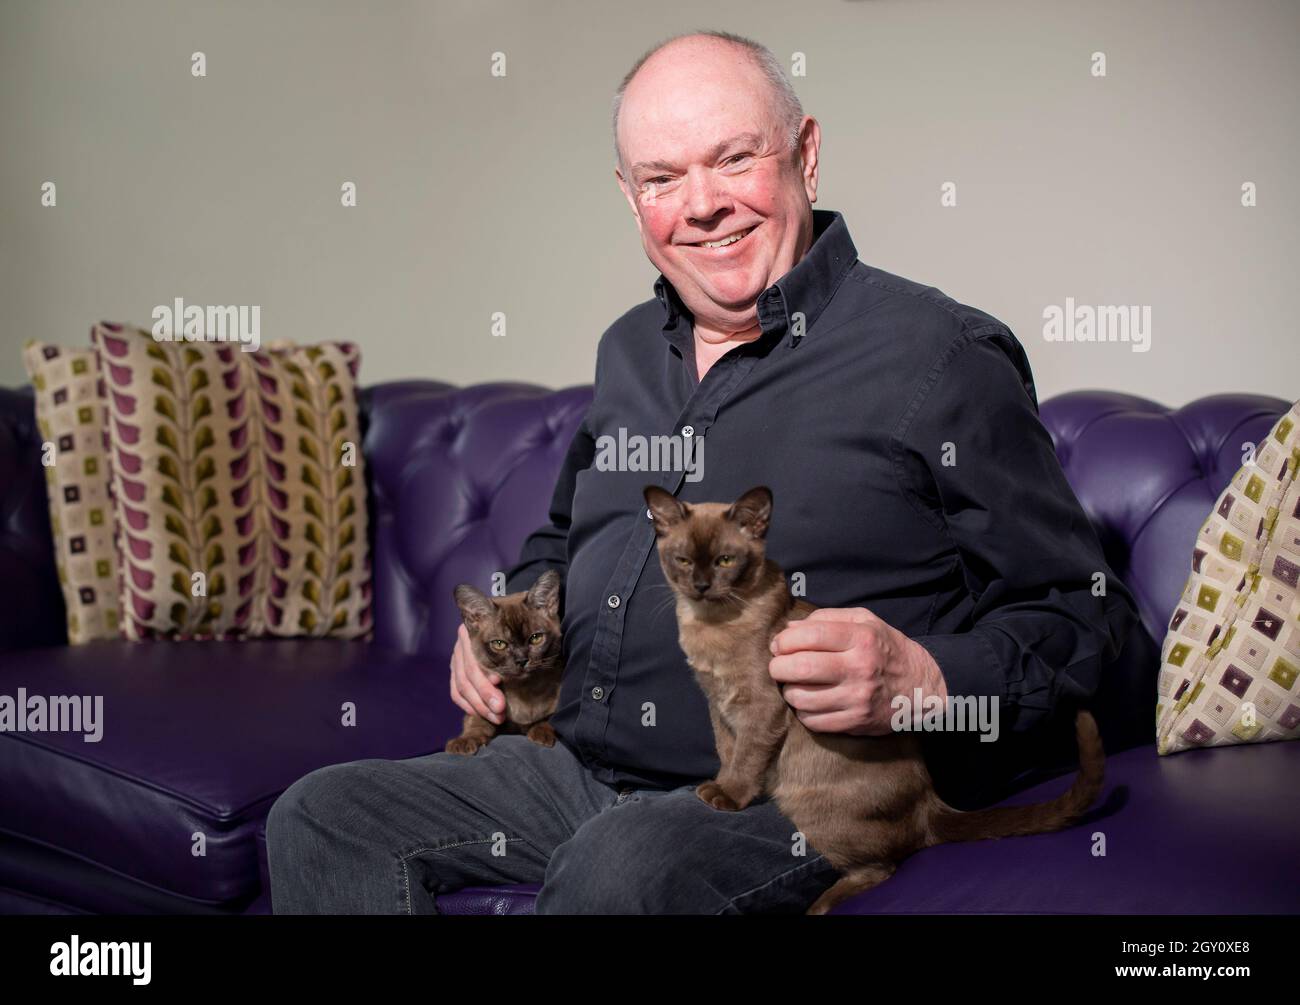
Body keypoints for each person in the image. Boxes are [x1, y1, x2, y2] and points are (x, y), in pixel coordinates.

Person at [267, 29, 1143, 915]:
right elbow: (564, 534)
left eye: (733, 159)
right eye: (661, 178)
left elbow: (1093, 619)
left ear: (805, 154)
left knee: (619, 868)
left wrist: (925, 677)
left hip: (773, 792)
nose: (702, 205)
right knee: (320, 816)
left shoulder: (941, 356)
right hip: (566, 767)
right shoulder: (626, 352)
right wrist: (497, 620)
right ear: (628, 196)